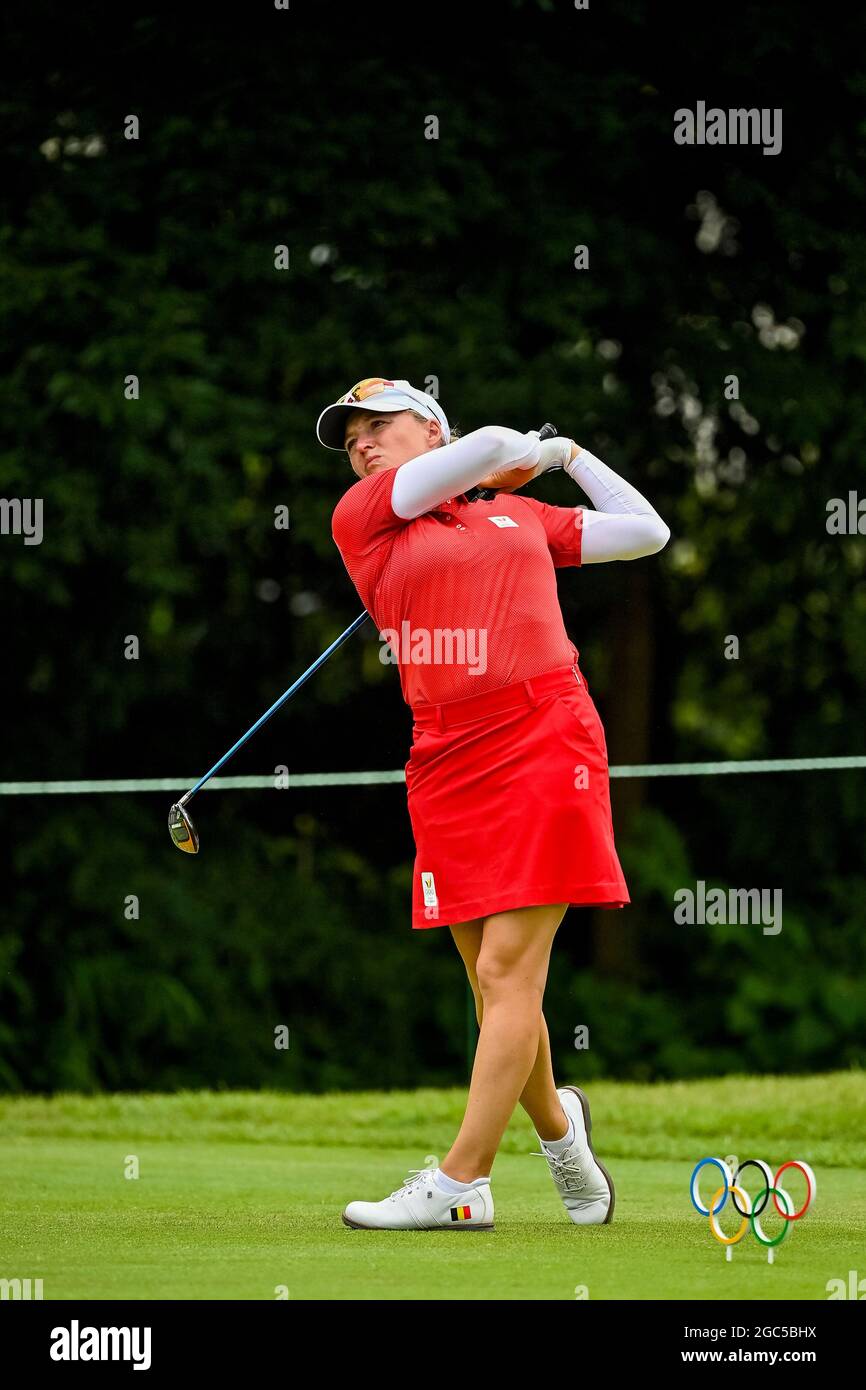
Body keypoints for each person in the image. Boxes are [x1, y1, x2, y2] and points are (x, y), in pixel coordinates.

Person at [320, 377, 670, 1231]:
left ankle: (462, 1182)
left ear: (426, 423)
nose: (363, 443)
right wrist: (513, 453)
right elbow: (479, 449)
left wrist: (565, 456)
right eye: (352, 435)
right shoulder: (362, 515)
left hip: (548, 731)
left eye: (381, 425)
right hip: (443, 754)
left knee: (509, 972)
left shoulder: (518, 519)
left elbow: (648, 532)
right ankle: (562, 1134)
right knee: (490, 983)